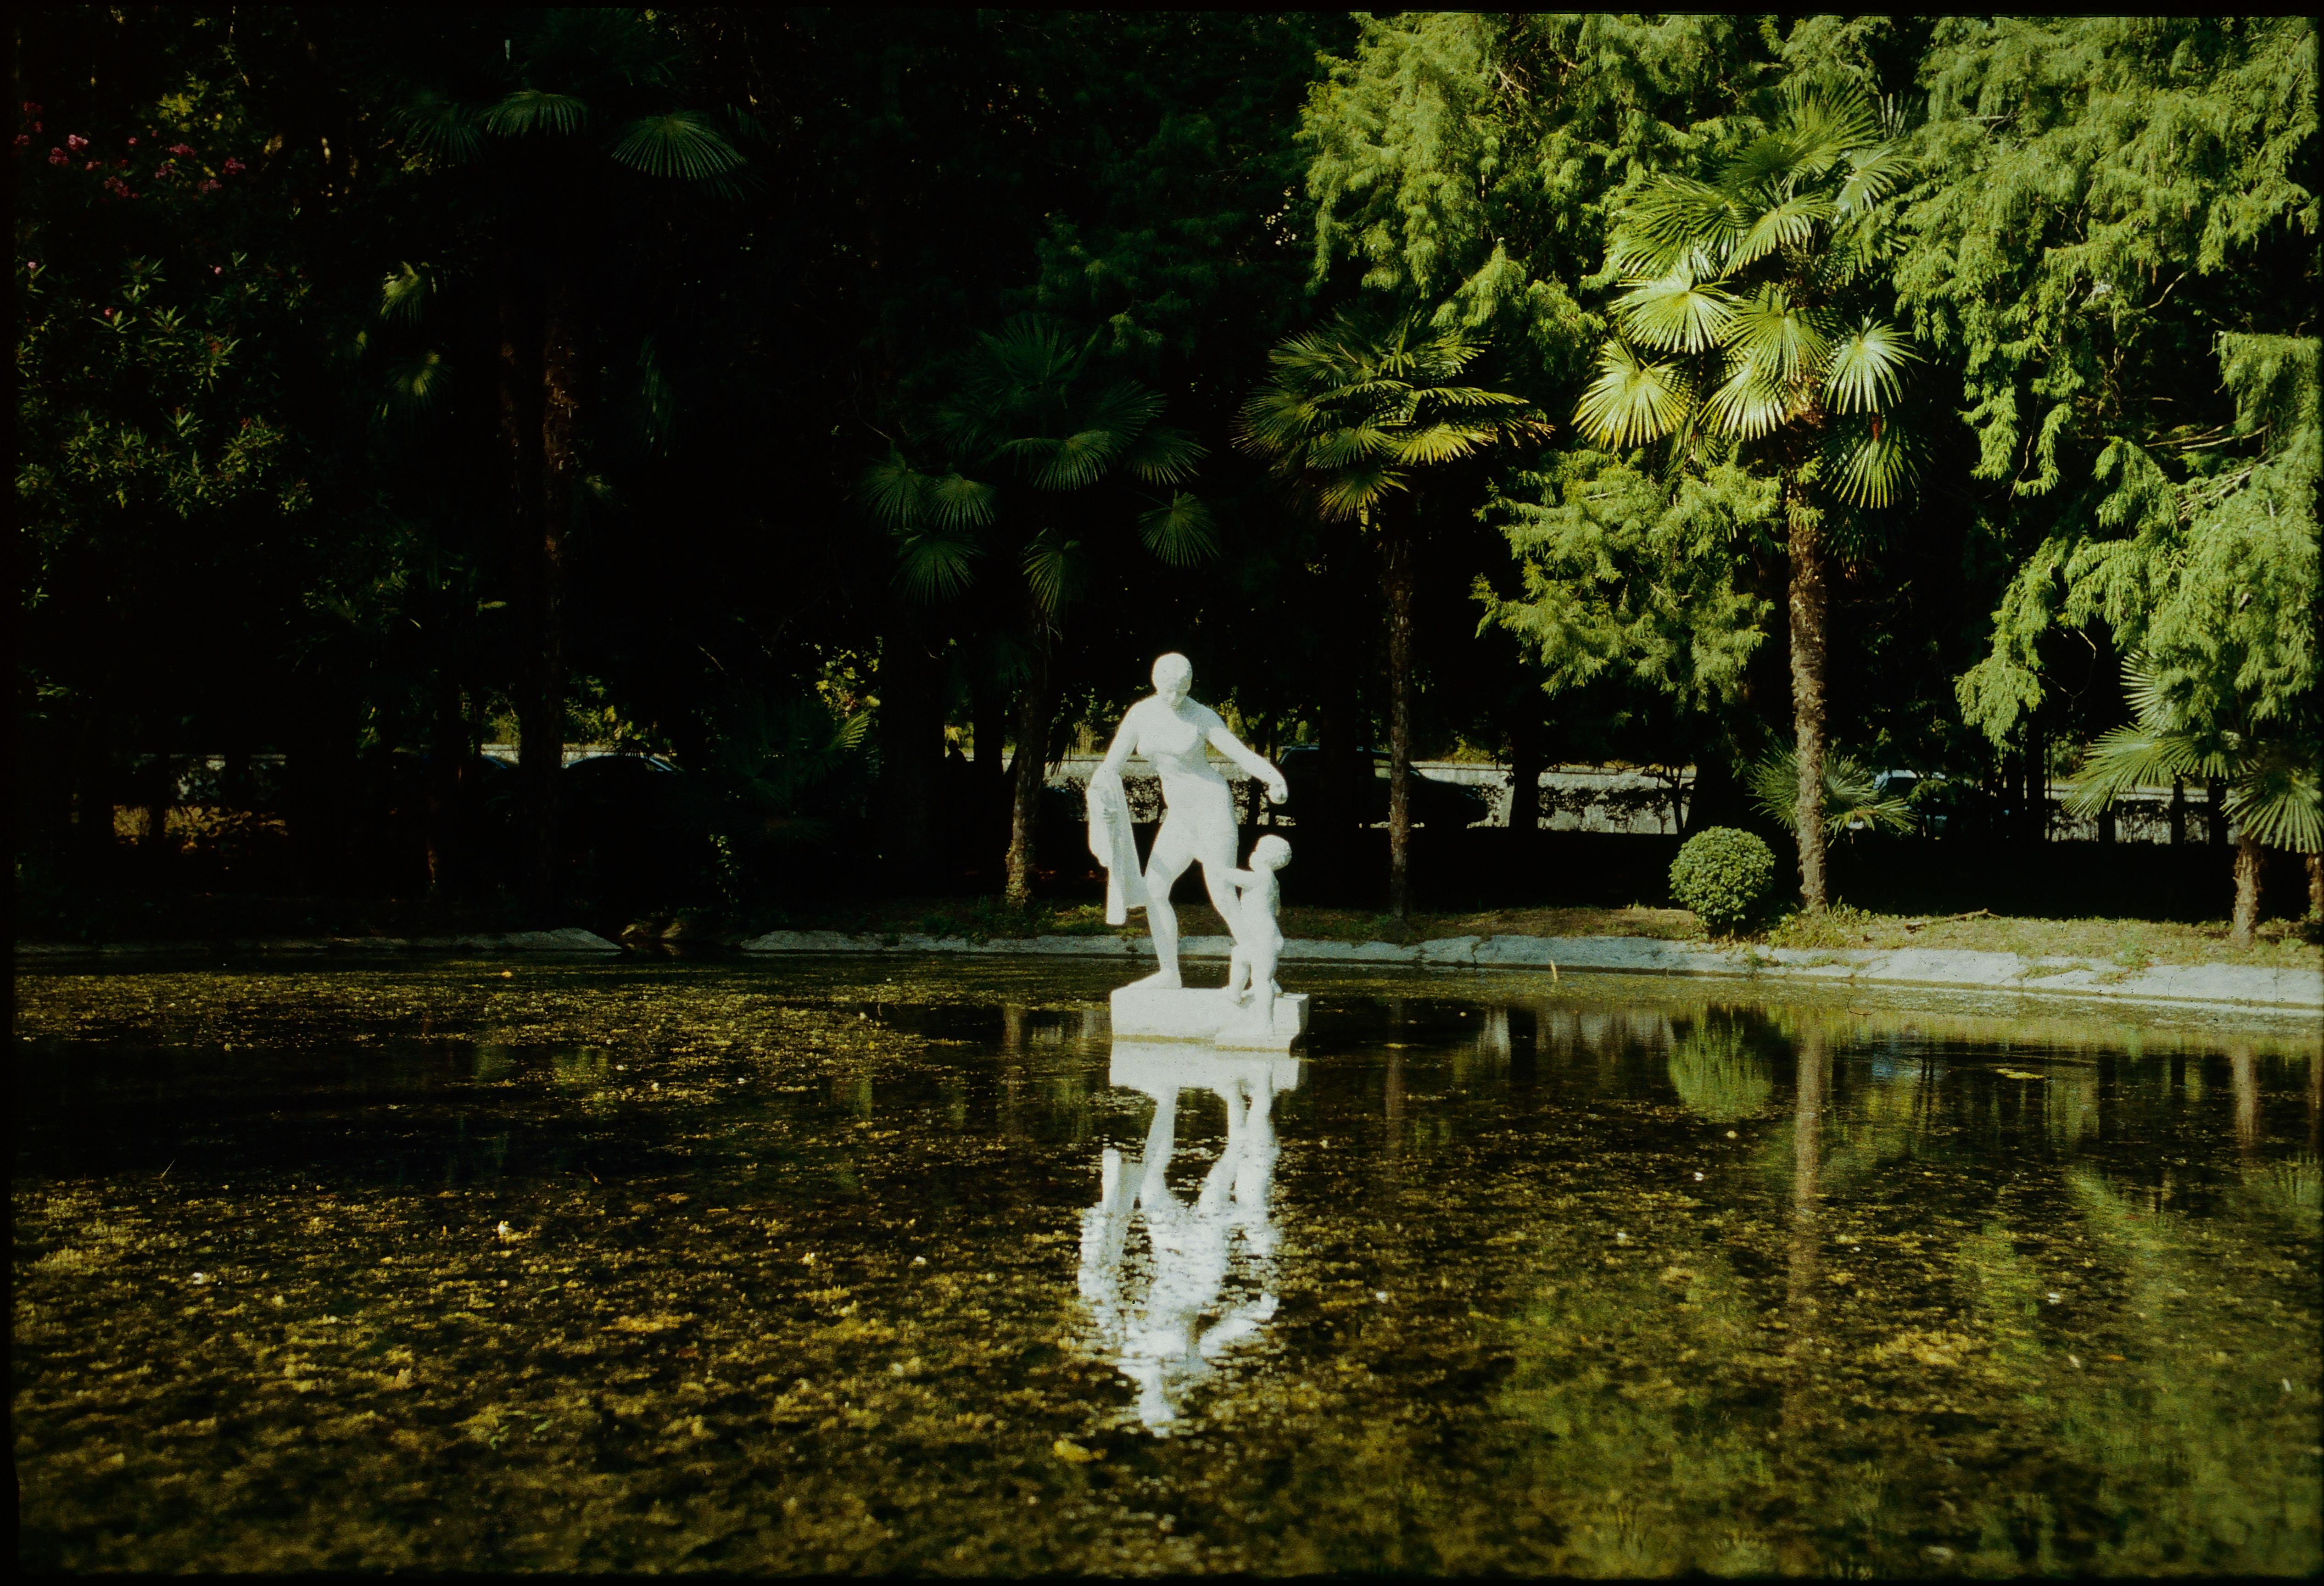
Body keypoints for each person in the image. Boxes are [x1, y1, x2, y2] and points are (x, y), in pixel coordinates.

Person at [1090, 653, 1287, 989]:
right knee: (1154, 889)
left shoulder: (1201, 716)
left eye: (1183, 690)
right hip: (1180, 816)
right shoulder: (1141, 714)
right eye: (1170, 690)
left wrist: (1274, 778)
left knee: (1222, 894)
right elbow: (1109, 766)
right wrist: (1098, 795)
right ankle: (1170, 972)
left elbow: (1238, 753)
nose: (1176, 697)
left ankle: (1261, 973)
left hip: (1212, 807)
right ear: (1156, 682)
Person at [1221, 835, 1291, 1039]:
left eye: (1258, 851)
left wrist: (1215, 865)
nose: (1253, 855)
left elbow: (1231, 876)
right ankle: (1235, 993)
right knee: (1240, 954)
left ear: (1266, 858)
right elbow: (1276, 909)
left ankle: (1267, 1025)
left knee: (1261, 981)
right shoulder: (1273, 882)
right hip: (1267, 937)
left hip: (1265, 940)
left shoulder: (1260, 877)